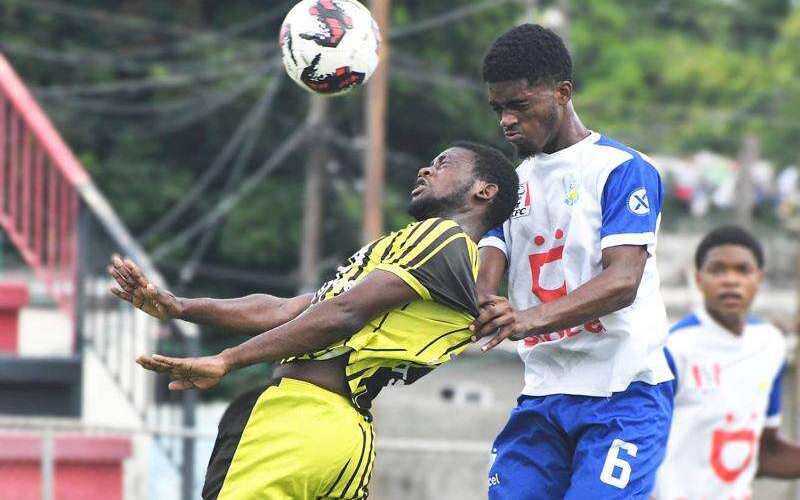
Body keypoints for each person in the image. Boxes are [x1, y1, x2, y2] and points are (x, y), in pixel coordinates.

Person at [108, 142, 518, 500]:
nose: (426, 169)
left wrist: (227, 360)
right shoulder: (431, 256)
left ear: (484, 190)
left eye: (444, 163)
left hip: (296, 418)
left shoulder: (442, 239)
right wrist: (180, 306)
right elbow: (289, 310)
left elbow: (344, 313)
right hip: (347, 439)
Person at [472, 24, 674, 498]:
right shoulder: (511, 185)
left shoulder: (623, 169)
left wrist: (527, 319)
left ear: (562, 93)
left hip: (623, 393)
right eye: (498, 108)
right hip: (543, 391)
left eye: (519, 105)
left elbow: (622, 280)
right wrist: (480, 302)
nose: (506, 120)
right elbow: (488, 274)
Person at [654, 225, 800, 499]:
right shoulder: (673, 348)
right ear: (699, 279)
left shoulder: (770, 344)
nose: (730, 280)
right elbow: (640, 443)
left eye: (742, 270)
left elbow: (765, 452)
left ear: (759, 278)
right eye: (718, 270)